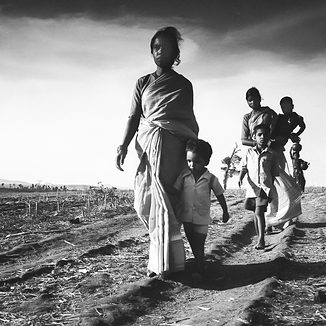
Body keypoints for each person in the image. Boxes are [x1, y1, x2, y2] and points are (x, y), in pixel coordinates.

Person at [115, 27, 199, 278]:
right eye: (155, 47)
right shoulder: (143, 82)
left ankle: (168, 265)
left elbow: (186, 122)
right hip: (147, 147)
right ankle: (162, 260)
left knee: (168, 202)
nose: (159, 51)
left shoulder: (184, 85)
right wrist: (123, 145)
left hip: (173, 150)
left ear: (176, 53)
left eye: (165, 47)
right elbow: (133, 116)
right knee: (144, 203)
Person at [173, 139, 230, 277]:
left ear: (206, 161)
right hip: (186, 216)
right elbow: (175, 192)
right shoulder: (184, 176)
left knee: (199, 244)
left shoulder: (210, 179)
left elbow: (220, 194)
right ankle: (201, 264)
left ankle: (199, 270)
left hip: (202, 217)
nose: (192, 165)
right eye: (189, 161)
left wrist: (225, 211)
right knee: (192, 242)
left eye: (196, 162)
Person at [239, 124, 280, 249]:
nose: (262, 137)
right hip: (252, 188)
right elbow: (244, 167)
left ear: (269, 137)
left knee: (259, 212)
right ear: (254, 137)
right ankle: (259, 237)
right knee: (255, 214)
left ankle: (261, 240)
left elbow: (274, 173)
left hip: (264, 188)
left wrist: (270, 187)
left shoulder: (272, 154)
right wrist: (240, 177)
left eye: (265, 135)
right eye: (259, 135)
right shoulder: (248, 152)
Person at [270, 96, 306, 170]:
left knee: (277, 143)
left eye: (287, 106)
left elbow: (303, 126)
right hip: (275, 135)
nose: (285, 109)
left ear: (292, 106)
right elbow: (274, 128)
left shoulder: (295, 117)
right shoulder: (280, 118)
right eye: (283, 107)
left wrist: (296, 134)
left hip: (284, 137)